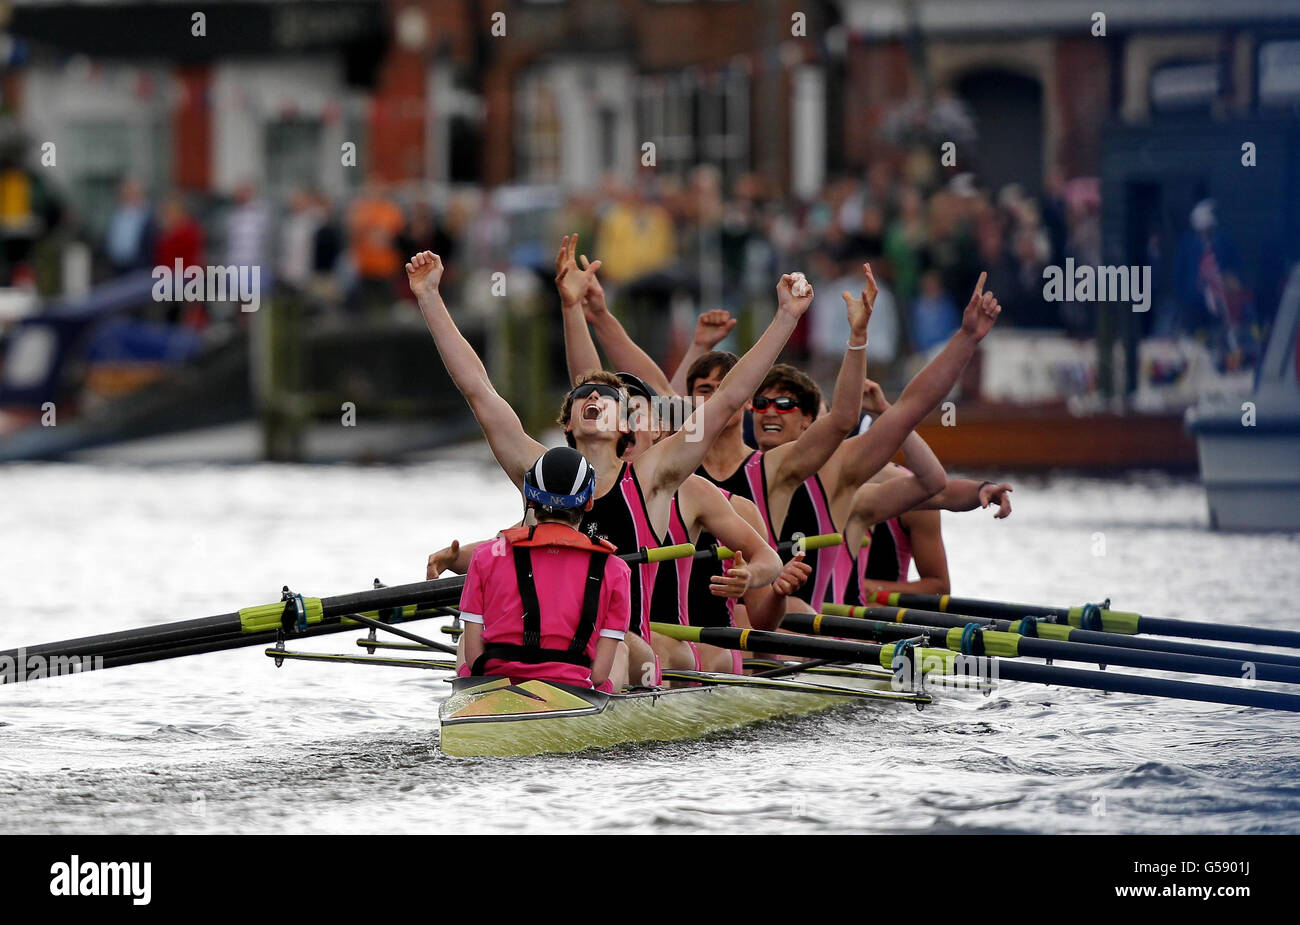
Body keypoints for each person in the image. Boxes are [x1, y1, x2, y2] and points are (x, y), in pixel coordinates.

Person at [407, 241, 809, 686]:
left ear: (626, 427)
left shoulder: (655, 478)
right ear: (569, 424)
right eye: (583, 396)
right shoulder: (536, 469)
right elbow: (478, 390)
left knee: (631, 648)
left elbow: (728, 399)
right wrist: (429, 297)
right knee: (471, 640)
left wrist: (786, 317)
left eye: (608, 398)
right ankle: (480, 697)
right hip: (536, 643)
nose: (594, 397)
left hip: (625, 649)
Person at [459, 447, 630, 693]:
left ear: (530, 499)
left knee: (466, 638)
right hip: (573, 693)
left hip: (497, 688)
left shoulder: (486, 555)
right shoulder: (616, 569)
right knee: (621, 650)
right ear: (589, 502)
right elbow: (600, 674)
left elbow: (474, 659)